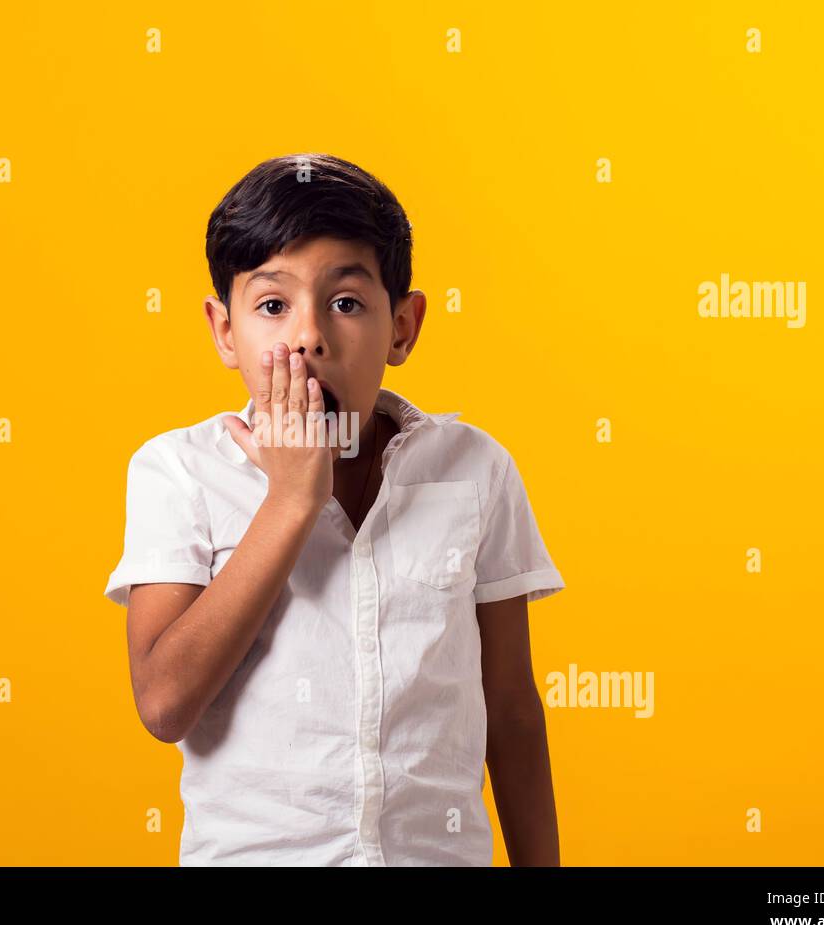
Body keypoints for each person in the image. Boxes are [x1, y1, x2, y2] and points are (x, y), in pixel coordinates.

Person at [104, 153, 566, 865]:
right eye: (271, 305)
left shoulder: (474, 470)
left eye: (346, 303)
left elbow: (509, 707)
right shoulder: (180, 473)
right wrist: (290, 502)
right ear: (225, 332)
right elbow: (164, 705)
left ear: (403, 327)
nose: (308, 336)